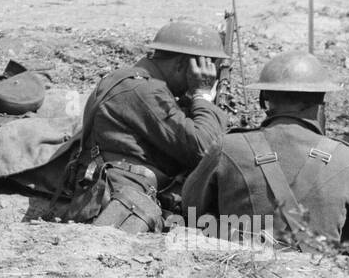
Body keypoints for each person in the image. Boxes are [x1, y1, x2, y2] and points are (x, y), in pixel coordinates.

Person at [181, 51, 349, 250]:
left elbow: (191, 208)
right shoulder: (347, 159)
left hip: (242, 273)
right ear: (321, 103)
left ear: (264, 99)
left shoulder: (228, 147)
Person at [59, 20, 228, 234]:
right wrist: (202, 95)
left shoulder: (135, 81)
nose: (208, 77)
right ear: (182, 65)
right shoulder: (144, 90)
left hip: (122, 194)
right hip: (121, 207)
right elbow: (205, 149)